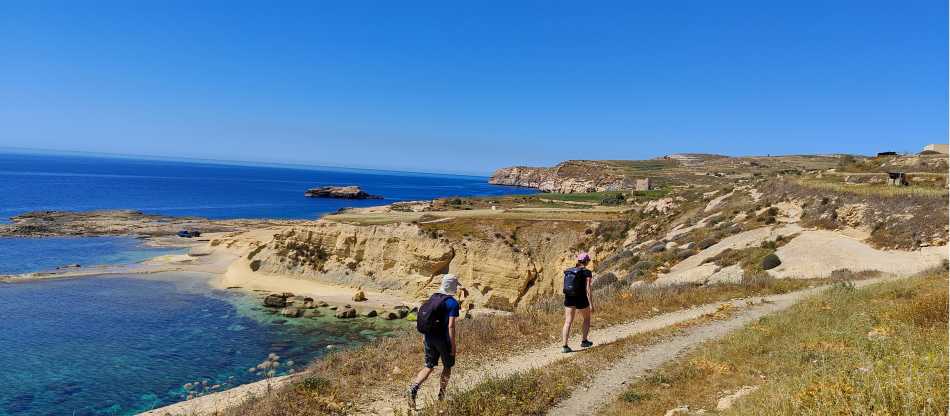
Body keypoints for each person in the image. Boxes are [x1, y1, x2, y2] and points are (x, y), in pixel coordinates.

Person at [407, 274, 461, 410]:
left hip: (429, 337)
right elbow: (451, 326)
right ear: (454, 286)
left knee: (429, 366)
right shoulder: (453, 303)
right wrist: (453, 345)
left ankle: (413, 388)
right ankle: (441, 397)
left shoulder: (434, 297)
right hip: (443, 339)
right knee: (447, 367)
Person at [562, 252, 594, 353]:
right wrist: (591, 304)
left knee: (568, 321)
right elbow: (588, 289)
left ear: (579, 261)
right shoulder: (587, 272)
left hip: (569, 297)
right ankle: (584, 341)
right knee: (587, 318)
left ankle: (564, 346)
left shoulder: (570, 271)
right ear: (586, 261)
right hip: (581, 298)